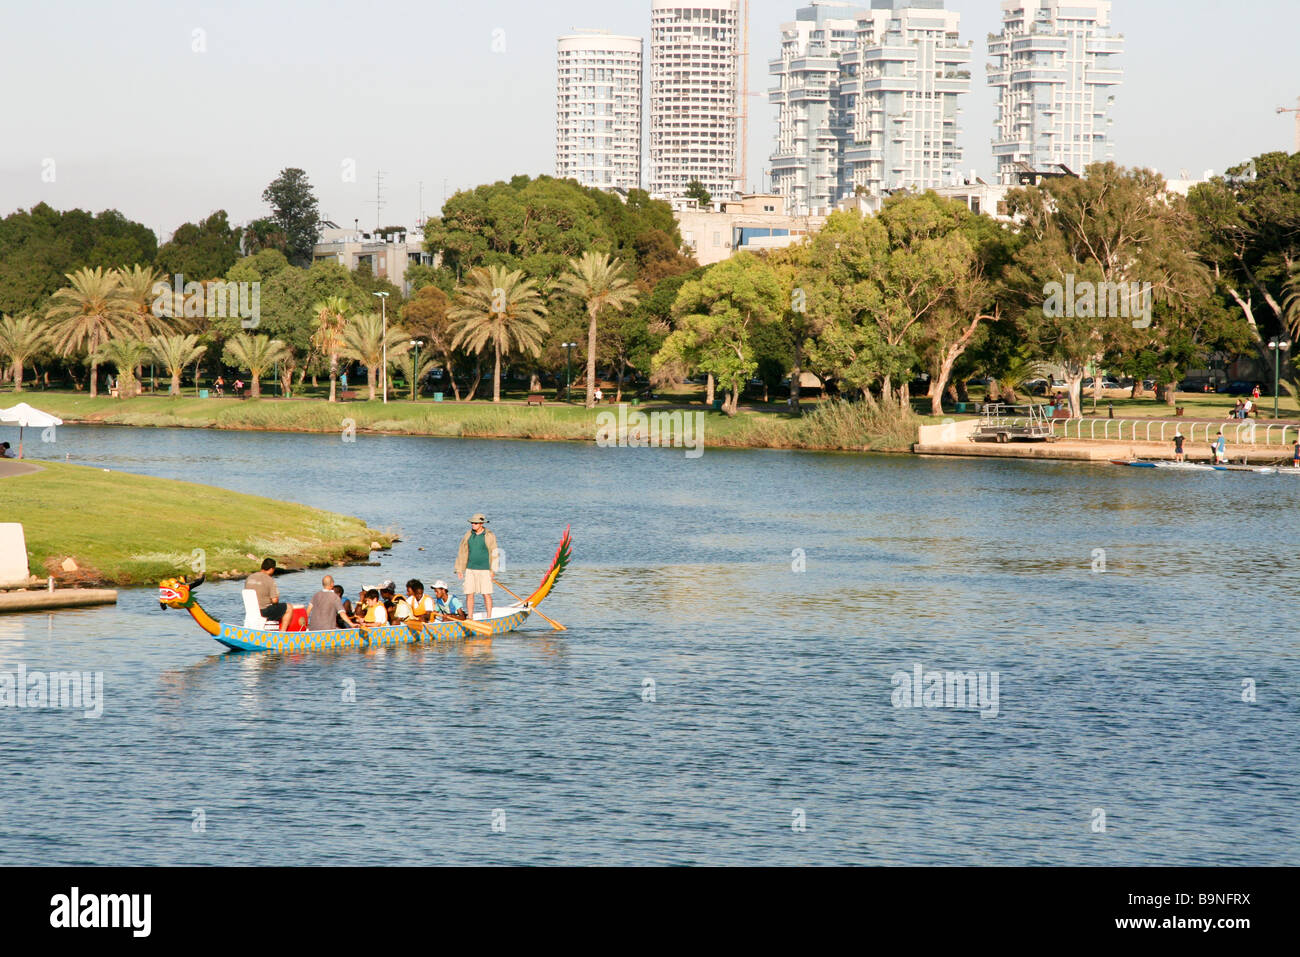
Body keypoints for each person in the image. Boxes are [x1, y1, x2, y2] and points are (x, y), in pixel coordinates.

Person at [455, 513, 499, 619]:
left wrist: (493, 570)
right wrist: (459, 569)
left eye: (475, 523)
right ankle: (470, 617)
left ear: (481, 524)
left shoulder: (489, 535)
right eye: (472, 523)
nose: (473, 525)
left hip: (485, 569)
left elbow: (494, 552)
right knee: (469, 593)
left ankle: (489, 617)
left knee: (486, 594)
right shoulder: (468, 534)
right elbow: (462, 551)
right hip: (470, 568)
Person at [246, 558, 291, 629]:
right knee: (288, 607)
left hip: (251, 609)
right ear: (271, 569)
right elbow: (274, 600)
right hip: (263, 611)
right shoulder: (270, 580)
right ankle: (282, 634)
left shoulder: (250, 577)